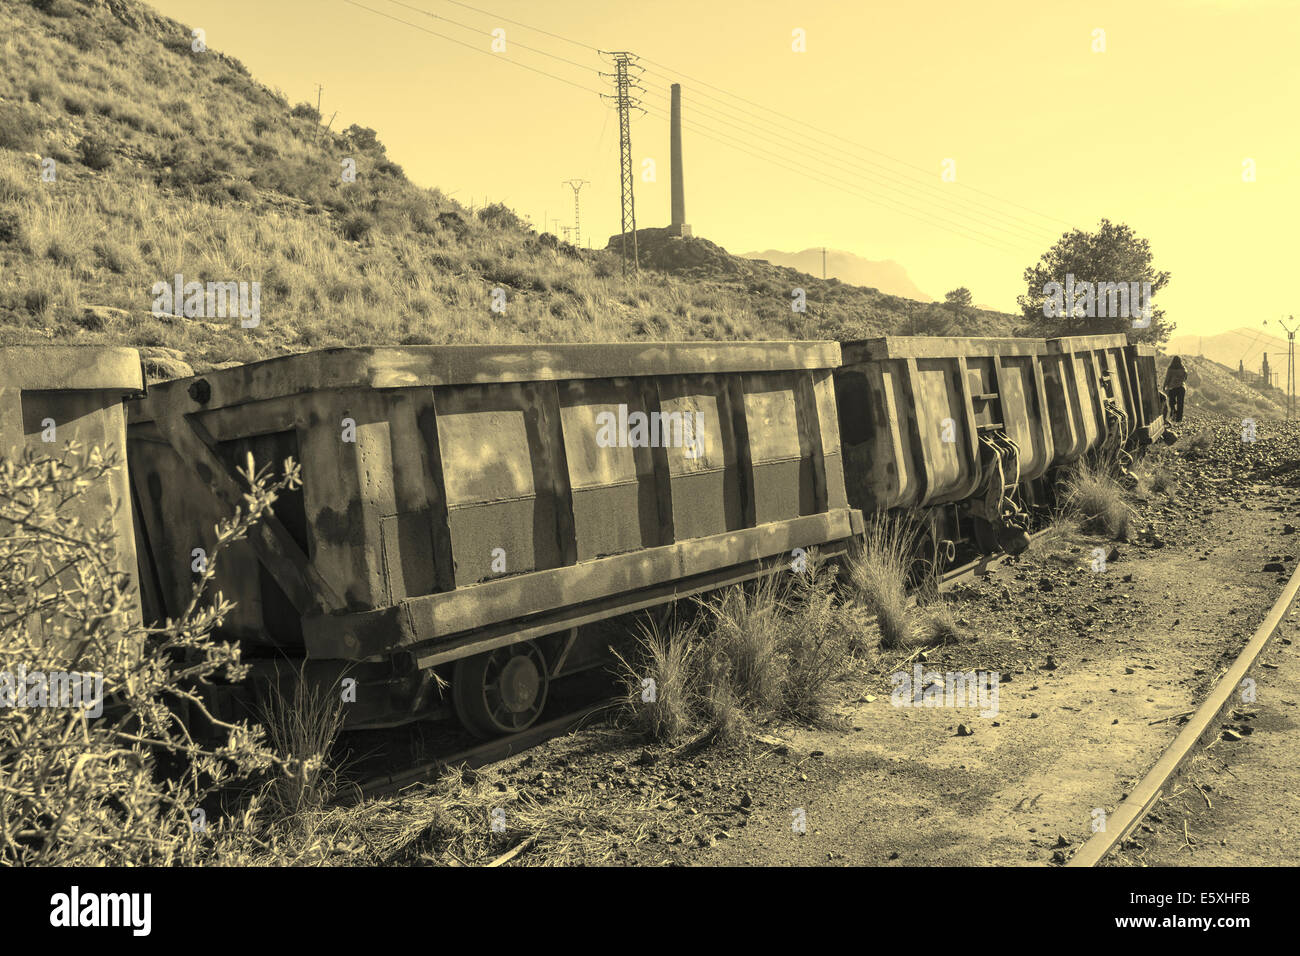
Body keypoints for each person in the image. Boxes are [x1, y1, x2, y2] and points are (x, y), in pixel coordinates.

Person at [1163, 356, 1187, 423]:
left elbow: (1167, 378)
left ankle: (1173, 416)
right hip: (1181, 387)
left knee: (1171, 403)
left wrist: (1164, 386)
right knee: (1180, 403)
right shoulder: (1183, 369)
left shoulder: (1170, 369)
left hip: (1172, 388)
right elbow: (1185, 378)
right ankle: (1179, 419)